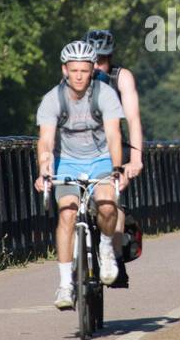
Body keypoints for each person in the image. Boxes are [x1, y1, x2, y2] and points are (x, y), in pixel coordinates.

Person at [34, 39, 130, 310]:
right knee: (66, 214)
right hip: (67, 163)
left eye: (84, 70)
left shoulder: (105, 95)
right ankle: (65, 284)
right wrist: (44, 171)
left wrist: (117, 168)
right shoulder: (53, 99)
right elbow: (45, 141)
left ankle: (107, 248)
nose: (78, 76)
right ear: (65, 69)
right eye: (73, 70)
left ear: (92, 70)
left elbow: (113, 134)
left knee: (108, 206)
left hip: (100, 160)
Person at [85, 28, 142, 288]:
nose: (98, 65)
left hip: (115, 149)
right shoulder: (76, 77)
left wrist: (136, 158)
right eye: (94, 59)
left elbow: (132, 118)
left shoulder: (121, 77)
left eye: (104, 59)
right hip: (82, 149)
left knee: (114, 200)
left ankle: (115, 257)